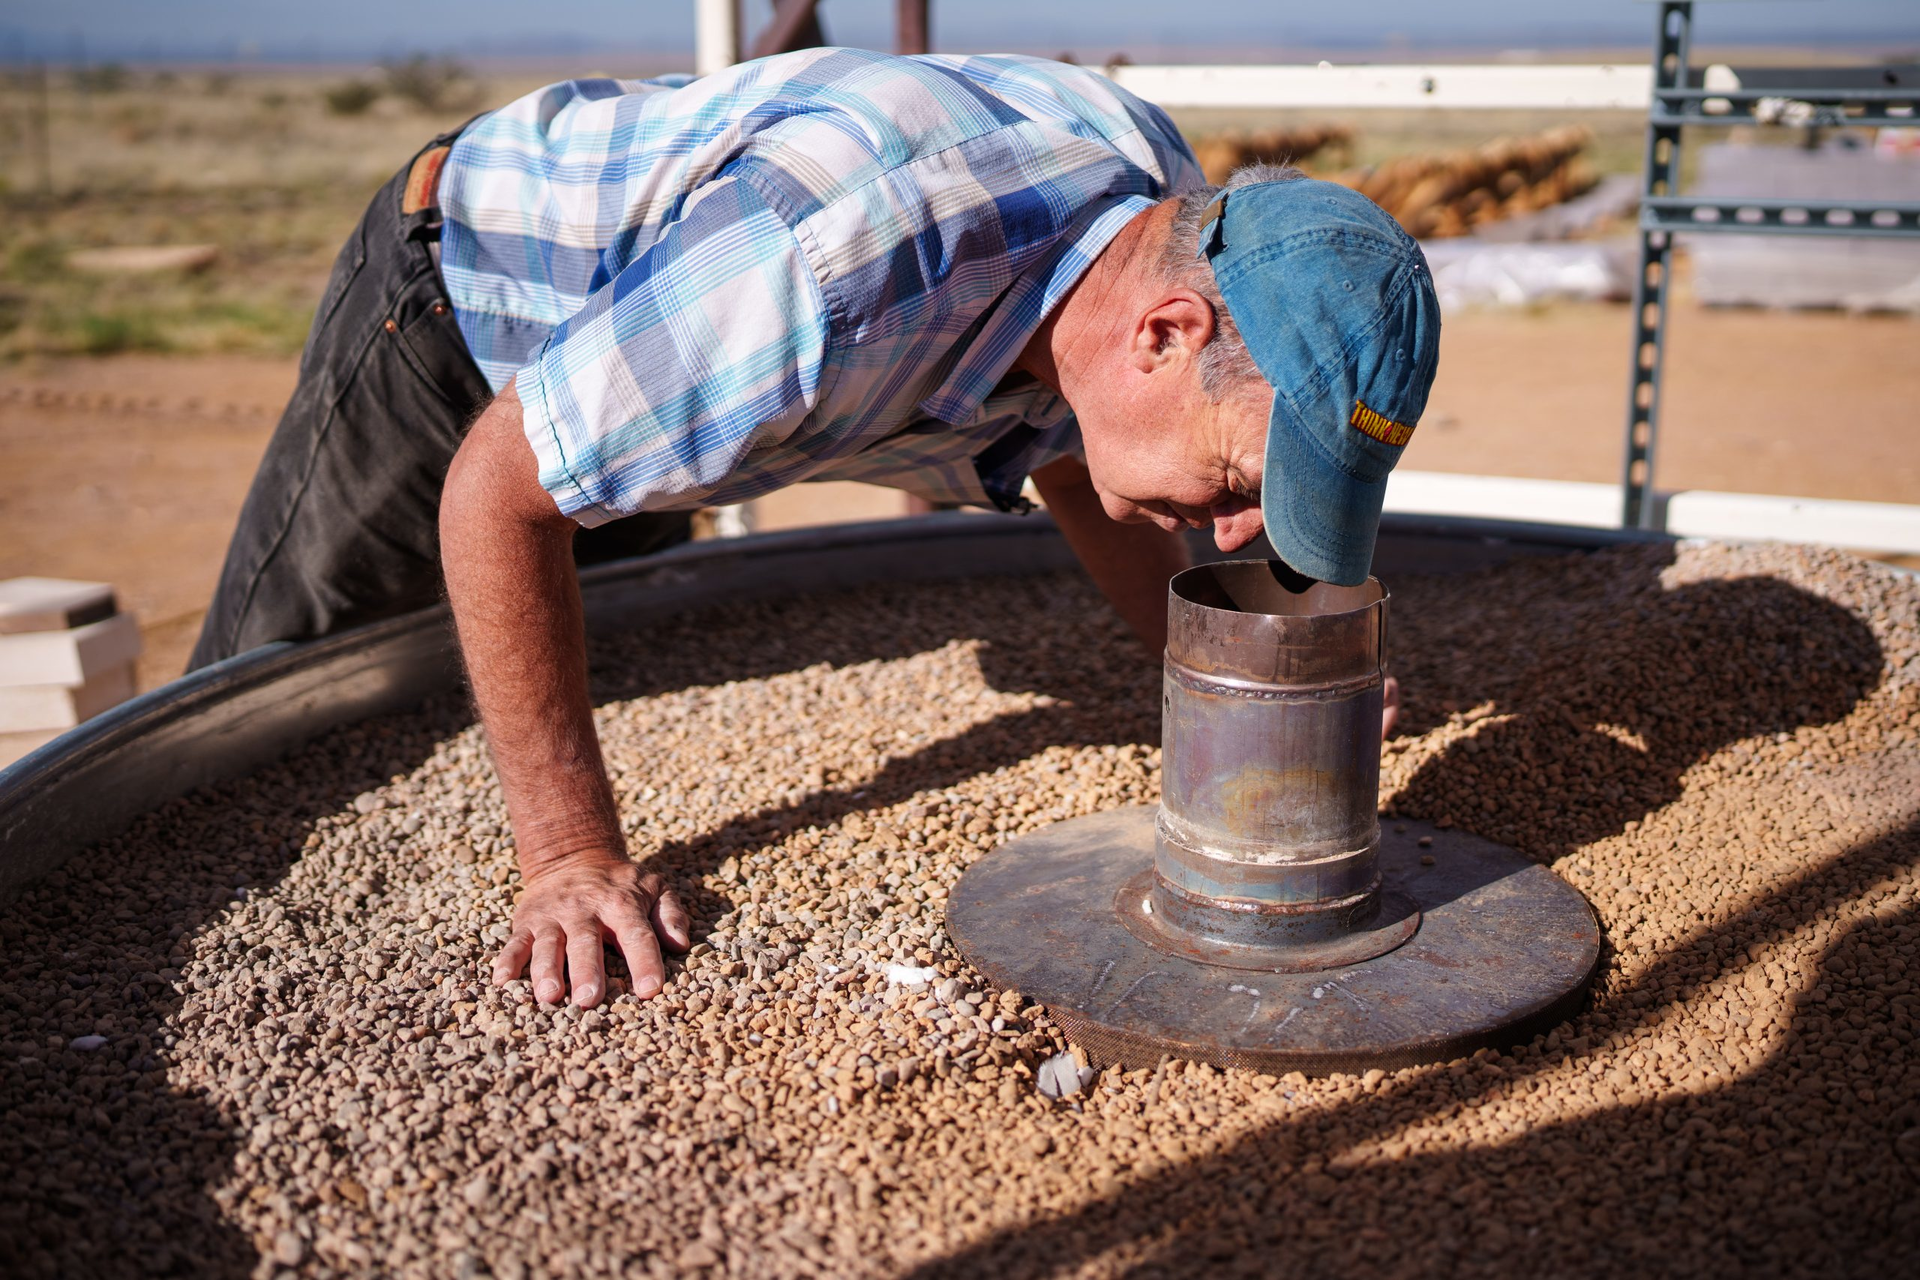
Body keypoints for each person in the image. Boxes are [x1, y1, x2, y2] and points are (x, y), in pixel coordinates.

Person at [192, 48, 1440, 1008]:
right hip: (467, 313)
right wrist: (569, 855)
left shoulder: (1155, 232)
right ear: (1164, 334)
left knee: (587, 548)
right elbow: (499, 490)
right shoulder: (822, 272)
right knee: (271, 709)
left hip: (658, 368)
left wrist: (1217, 692)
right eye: (1238, 482)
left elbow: (1076, 459)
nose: (1231, 532)